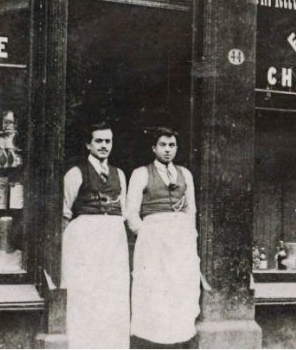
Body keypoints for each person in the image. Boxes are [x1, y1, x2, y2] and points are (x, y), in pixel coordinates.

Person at [125, 127, 200, 347]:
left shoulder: (185, 174)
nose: (167, 150)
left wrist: (188, 235)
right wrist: (148, 235)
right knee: (154, 288)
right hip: (153, 239)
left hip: (180, 240)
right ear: (153, 148)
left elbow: (191, 209)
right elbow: (131, 214)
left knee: (180, 286)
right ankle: (153, 342)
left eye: (172, 145)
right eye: (163, 145)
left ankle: (178, 339)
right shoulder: (141, 173)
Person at [61, 121, 130, 348]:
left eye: (107, 141)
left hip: (112, 240)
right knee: (85, 290)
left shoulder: (118, 174)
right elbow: (66, 211)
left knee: (111, 291)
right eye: (98, 141)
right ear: (88, 144)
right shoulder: (76, 173)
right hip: (84, 239)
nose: (103, 146)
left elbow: (124, 209)